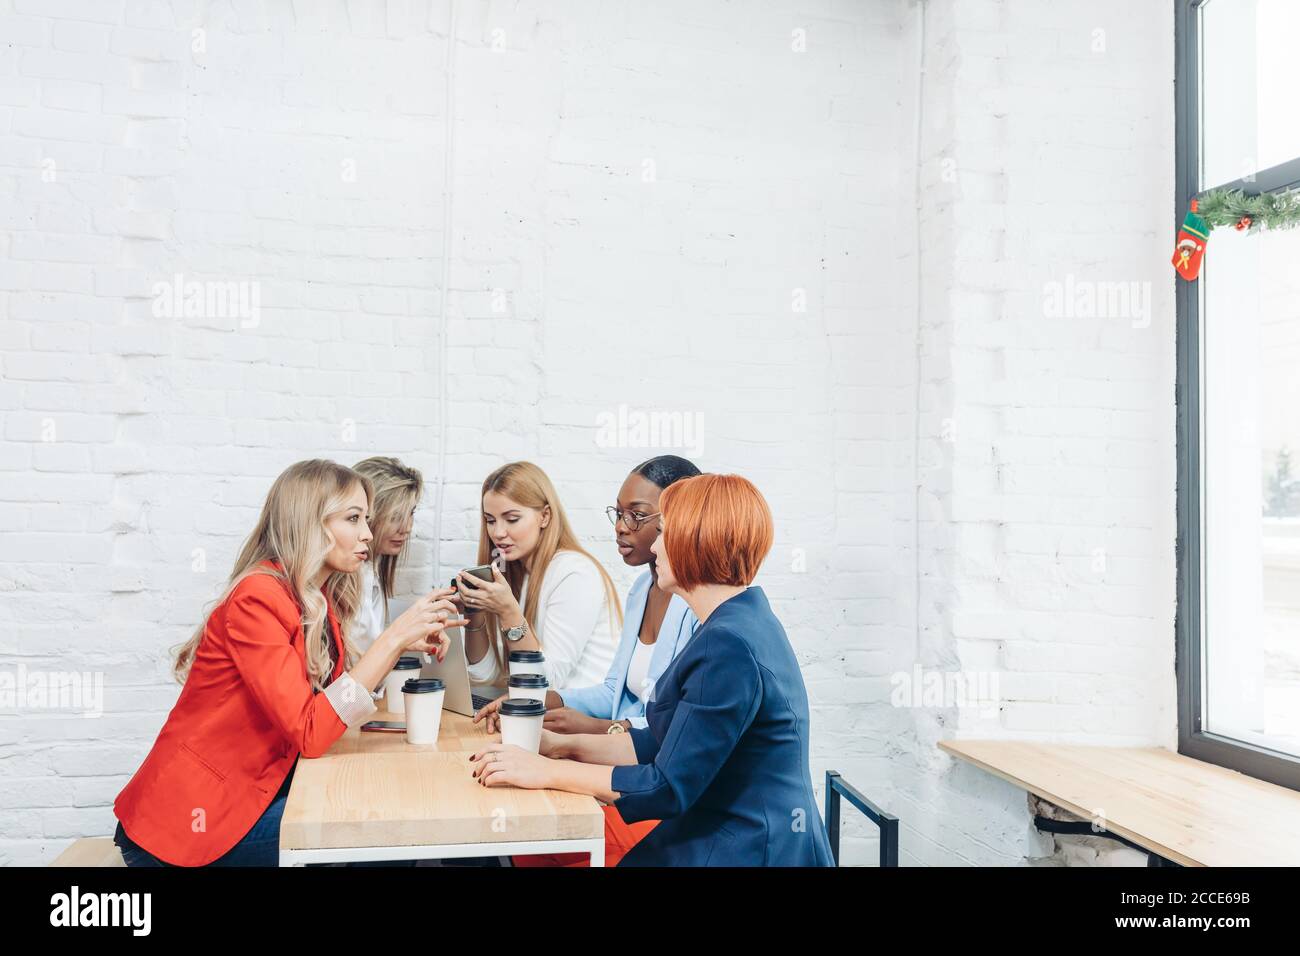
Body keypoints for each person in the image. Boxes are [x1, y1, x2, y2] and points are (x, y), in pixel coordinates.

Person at [468, 473, 835, 867]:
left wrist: (545, 771)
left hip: (748, 847)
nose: (655, 546)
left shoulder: (727, 644)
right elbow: (660, 743)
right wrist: (561, 746)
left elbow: (667, 784)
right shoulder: (734, 621)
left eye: (664, 533)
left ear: (696, 543)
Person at [112, 459, 464, 867]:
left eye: (366, 519)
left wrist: (398, 649)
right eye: (353, 519)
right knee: (383, 827)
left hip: (258, 794)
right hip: (187, 830)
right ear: (309, 522)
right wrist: (392, 640)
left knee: (385, 811)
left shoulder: (314, 599)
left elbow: (329, 710)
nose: (367, 534)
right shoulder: (257, 598)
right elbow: (311, 732)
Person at [474, 455, 702, 867]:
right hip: (620, 758)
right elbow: (616, 690)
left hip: (649, 779)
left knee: (539, 829)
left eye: (637, 515)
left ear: (679, 519)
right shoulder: (641, 590)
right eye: (619, 513)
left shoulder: (696, 606)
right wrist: (553, 702)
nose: (620, 526)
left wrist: (597, 730)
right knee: (525, 824)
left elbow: (679, 731)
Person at [457, 461, 620, 693]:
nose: (498, 533)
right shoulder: (518, 574)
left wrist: (508, 612)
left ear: (544, 516)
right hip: (543, 715)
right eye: (490, 521)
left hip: (579, 720)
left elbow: (546, 683)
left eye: (512, 519)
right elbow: (483, 675)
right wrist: (474, 612)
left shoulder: (574, 573)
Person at [350, 457, 424, 654]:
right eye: (394, 517)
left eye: (411, 513)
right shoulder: (351, 578)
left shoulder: (370, 572)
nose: (406, 528)